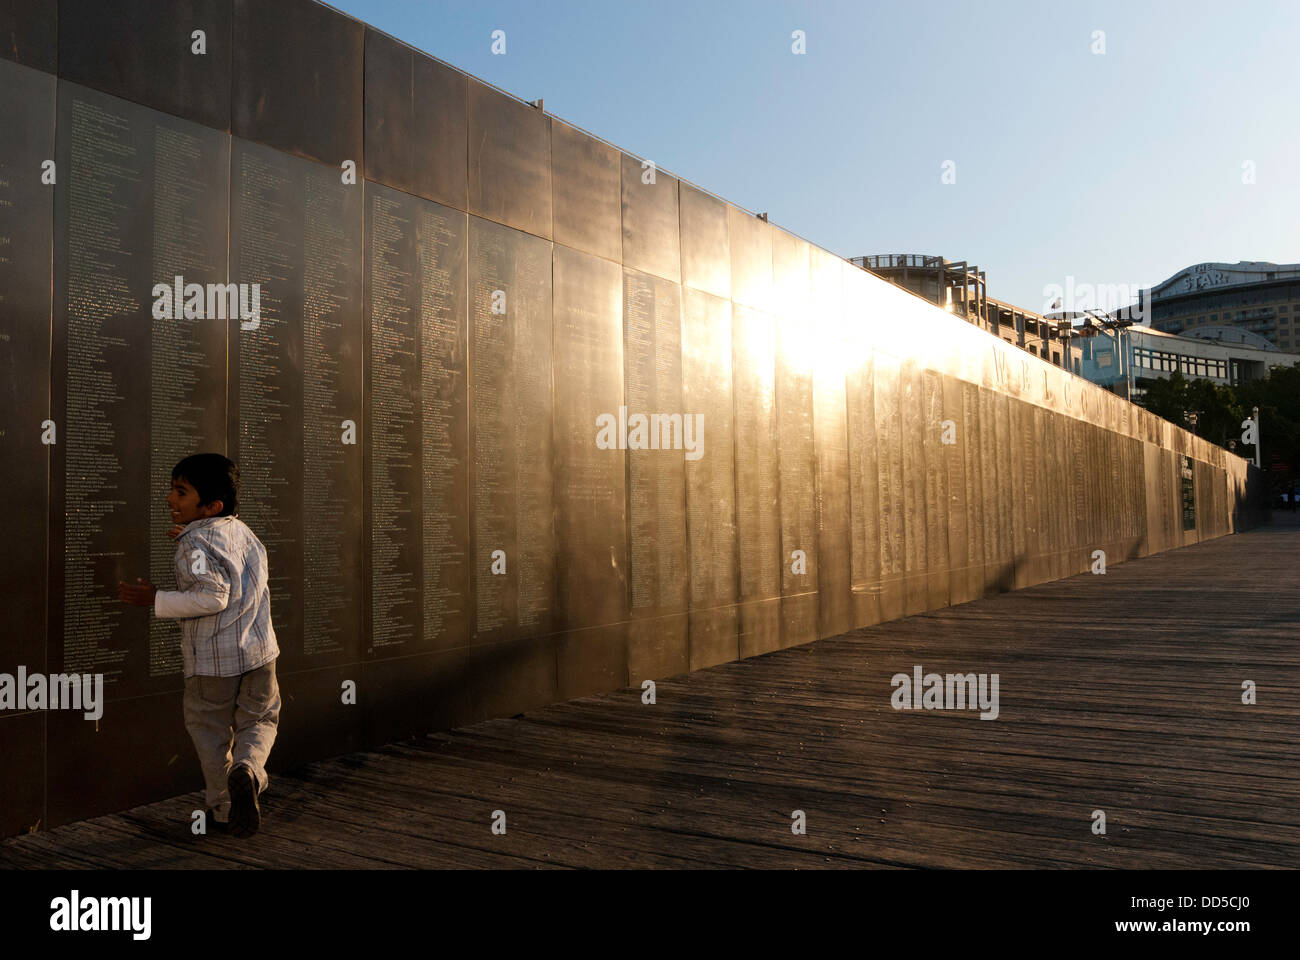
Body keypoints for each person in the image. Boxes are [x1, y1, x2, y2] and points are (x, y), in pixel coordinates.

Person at [118, 453, 280, 838]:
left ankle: (223, 807)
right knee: (259, 721)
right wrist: (192, 537)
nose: (170, 498)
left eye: (181, 492)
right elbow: (227, 569)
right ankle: (249, 771)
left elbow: (213, 596)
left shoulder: (193, 545)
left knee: (210, 732)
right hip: (259, 656)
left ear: (210, 506)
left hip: (212, 663)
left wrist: (156, 599)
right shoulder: (242, 532)